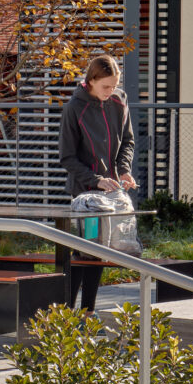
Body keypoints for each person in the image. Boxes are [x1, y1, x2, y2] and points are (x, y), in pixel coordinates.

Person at [58, 56, 136, 308]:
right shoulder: (74, 108)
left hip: (112, 194)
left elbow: (127, 142)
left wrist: (123, 170)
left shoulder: (119, 102)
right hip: (86, 198)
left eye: (114, 86)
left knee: (99, 252)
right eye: (106, 86)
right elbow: (67, 157)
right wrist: (96, 180)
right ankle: (68, 315)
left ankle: (86, 314)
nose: (111, 91)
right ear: (90, 81)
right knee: (86, 251)